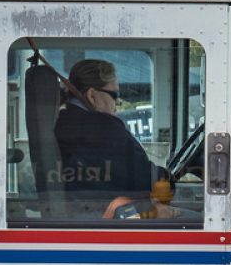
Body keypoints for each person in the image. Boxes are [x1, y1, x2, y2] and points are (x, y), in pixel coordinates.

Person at [53, 59, 169, 203]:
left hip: (84, 212)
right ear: (91, 95)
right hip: (105, 216)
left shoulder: (60, 123)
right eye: (114, 94)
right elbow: (146, 181)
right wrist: (169, 180)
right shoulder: (103, 129)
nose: (118, 102)